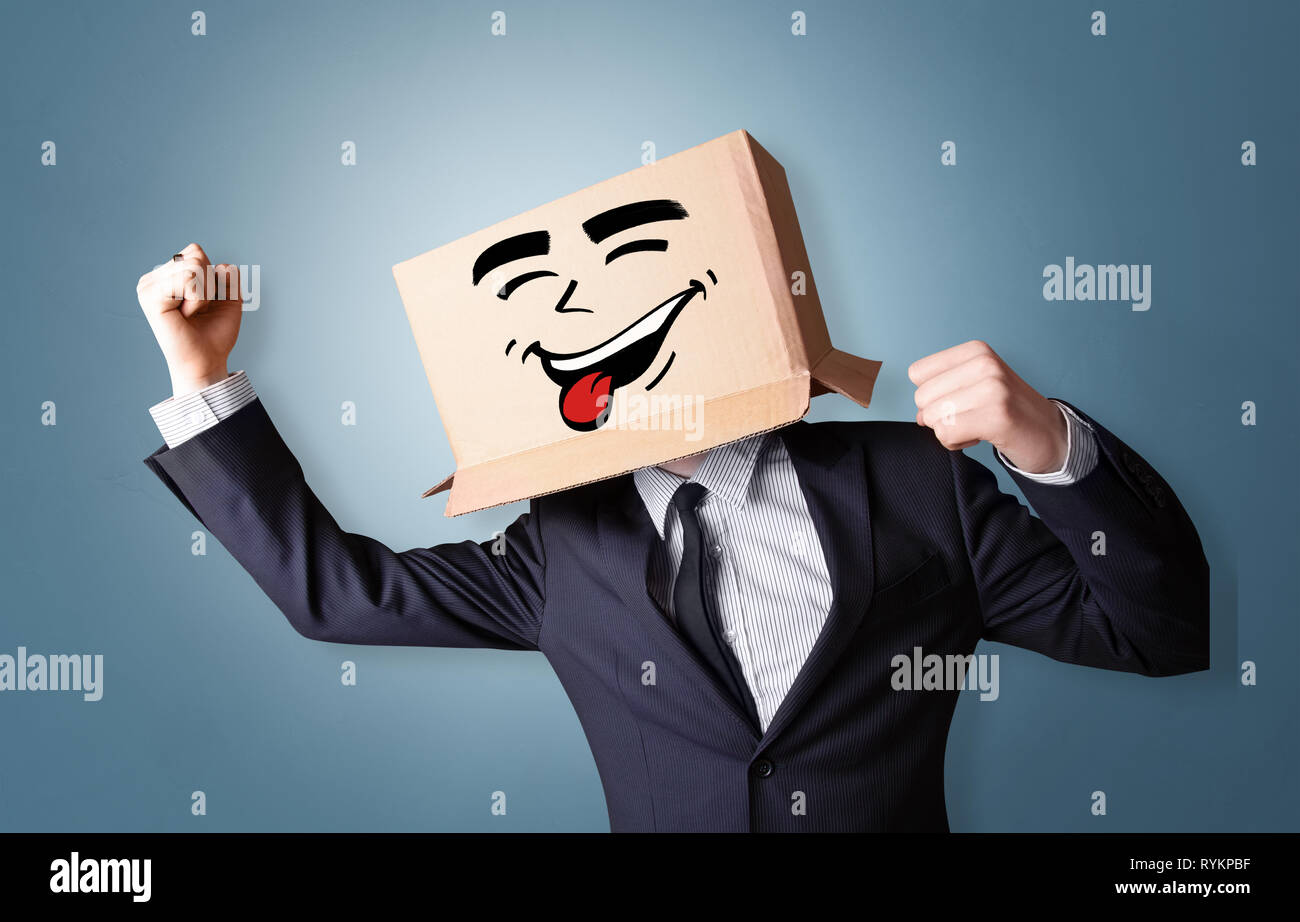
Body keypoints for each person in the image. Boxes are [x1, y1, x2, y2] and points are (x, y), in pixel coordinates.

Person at [137, 243, 1210, 832]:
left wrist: (1046, 444)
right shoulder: (563, 547)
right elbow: (336, 596)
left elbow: (1152, 631)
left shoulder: (916, 481)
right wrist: (201, 379)